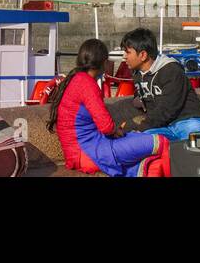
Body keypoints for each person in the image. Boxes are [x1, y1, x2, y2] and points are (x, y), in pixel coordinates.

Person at [47, 39, 168, 176]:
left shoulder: (76, 79)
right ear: (103, 62)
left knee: (149, 165)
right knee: (160, 141)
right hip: (90, 152)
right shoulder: (87, 84)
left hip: (79, 153)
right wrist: (116, 131)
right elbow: (106, 126)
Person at [119, 27, 200, 142]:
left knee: (199, 147)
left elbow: (168, 108)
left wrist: (139, 126)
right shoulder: (138, 74)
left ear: (143, 55)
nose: (124, 56)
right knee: (137, 141)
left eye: (128, 52)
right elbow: (142, 99)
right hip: (163, 127)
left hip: (188, 120)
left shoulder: (171, 71)